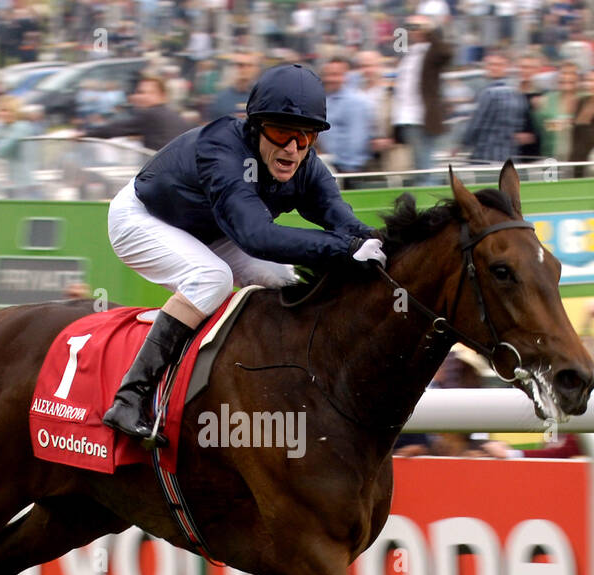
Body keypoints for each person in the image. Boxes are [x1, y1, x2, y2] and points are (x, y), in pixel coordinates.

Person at [101, 64, 384, 446]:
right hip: (142, 218)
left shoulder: (309, 167)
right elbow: (257, 237)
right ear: (255, 126)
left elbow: (344, 223)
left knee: (287, 281)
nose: (293, 148)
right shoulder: (223, 150)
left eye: (306, 137)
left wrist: (384, 245)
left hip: (214, 229)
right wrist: (347, 251)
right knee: (212, 278)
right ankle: (130, 397)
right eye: (282, 132)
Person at [391, 15, 451, 184]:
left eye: (417, 27)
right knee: (420, 166)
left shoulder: (431, 52)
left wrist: (430, 30)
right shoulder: (409, 54)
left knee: (424, 168)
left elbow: (446, 52)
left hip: (420, 118)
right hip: (407, 118)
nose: (413, 30)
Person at [79, 75, 193, 151]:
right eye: (138, 93)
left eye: (145, 93)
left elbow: (115, 129)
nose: (138, 97)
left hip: (163, 179)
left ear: (162, 96)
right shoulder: (173, 115)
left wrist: (84, 135)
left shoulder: (151, 114)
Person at [460, 49, 528, 165]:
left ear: (506, 67)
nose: (493, 68)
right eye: (490, 64)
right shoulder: (517, 93)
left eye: (497, 65)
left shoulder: (489, 93)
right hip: (509, 156)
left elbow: (476, 124)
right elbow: (519, 125)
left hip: (485, 155)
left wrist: (463, 144)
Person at [317, 57, 373, 180]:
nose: (330, 79)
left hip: (348, 170)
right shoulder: (323, 100)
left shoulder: (356, 102)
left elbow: (356, 140)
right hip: (327, 167)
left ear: (345, 76)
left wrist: (344, 168)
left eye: (335, 74)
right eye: (327, 75)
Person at [536, 60, 580, 161]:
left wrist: (559, 124)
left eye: (571, 73)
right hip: (551, 158)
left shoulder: (585, 99)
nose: (567, 77)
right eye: (564, 73)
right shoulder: (545, 100)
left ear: (578, 78)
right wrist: (569, 123)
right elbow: (545, 127)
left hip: (577, 158)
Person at [209, 51, 259, 120]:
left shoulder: (262, 97)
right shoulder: (220, 99)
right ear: (232, 67)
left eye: (249, 65)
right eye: (240, 65)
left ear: (256, 69)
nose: (245, 69)